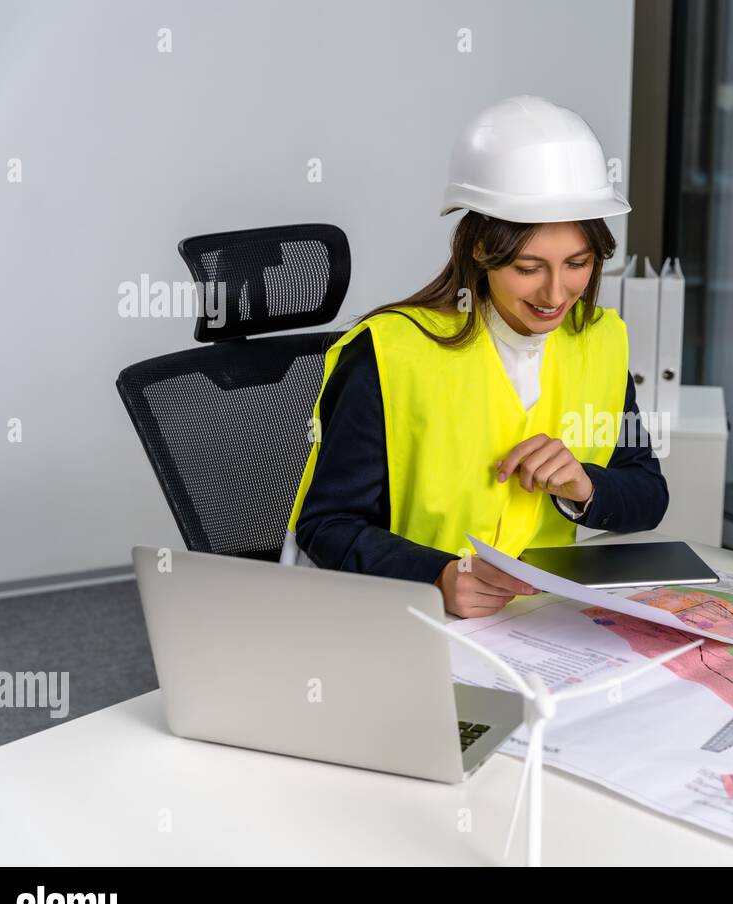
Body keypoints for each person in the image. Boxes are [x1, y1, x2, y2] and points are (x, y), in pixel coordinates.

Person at [283, 96, 668, 618]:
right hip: (407, 618)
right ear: (481, 252)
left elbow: (648, 494)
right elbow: (326, 525)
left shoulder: (600, 340)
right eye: (529, 268)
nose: (556, 293)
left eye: (577, 263)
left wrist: (585, 485)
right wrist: (436, 575)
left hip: (537, 620)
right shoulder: (391, 354)